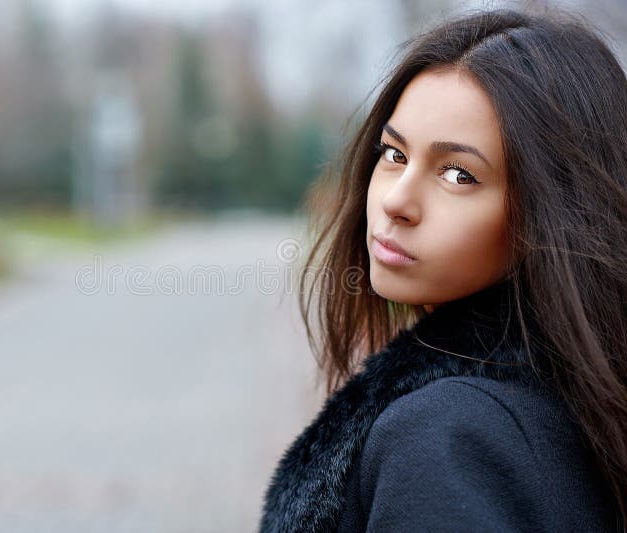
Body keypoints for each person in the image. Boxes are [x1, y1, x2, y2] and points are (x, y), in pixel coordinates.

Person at [259, 7, 626, 532]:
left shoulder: (443, 436)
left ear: (555, 215)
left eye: (458, 174)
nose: (397, 201)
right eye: (394, 153)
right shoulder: (573, 398)